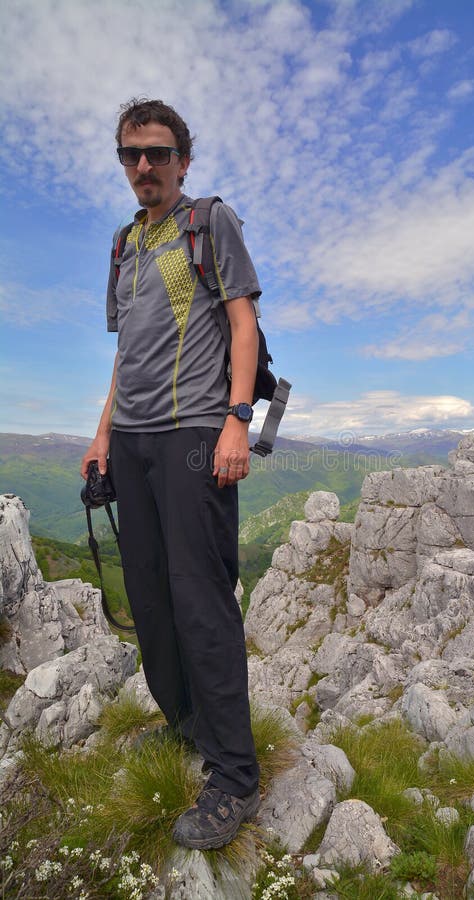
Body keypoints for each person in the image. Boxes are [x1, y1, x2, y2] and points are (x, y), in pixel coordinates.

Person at [81, 98, 260, 850]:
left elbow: (243, 321)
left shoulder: (208, 222)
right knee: (151, 598)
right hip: (133, 439)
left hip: (195, 432)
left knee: (199, 601)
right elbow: (125, 356)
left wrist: (236, 419)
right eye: (131, 155)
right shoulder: (124, 245)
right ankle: (182, 723)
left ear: (182, 160)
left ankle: (234, 776)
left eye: (157, 153)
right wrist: (101, 439)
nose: (144, 167)